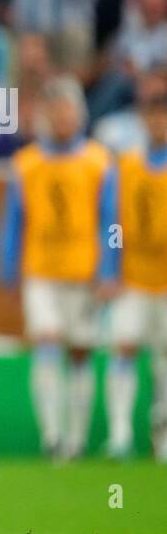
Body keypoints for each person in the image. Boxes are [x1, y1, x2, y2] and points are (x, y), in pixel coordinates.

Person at [0, 77, 113, 460]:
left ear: (79, 113)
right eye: (55, 109)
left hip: (84, 271)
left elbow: (110, 220)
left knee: (80, 351)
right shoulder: (26, 163)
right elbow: (13, 219)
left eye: (68, 108)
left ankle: (77, 439)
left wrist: (110, 267)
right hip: (41, 271)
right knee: (46, 342)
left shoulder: (98, 161)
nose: (62, 117)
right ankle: (52, 435)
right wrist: (7, 267)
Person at [100, 99, 167, 461]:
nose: (158, 123)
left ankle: (163, 438)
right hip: (134, 277)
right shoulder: (126, 165)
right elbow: (112, 219)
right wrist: (110, 270)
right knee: (124, 347)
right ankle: (120, 434)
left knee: (164, 357)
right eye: (153, 116)